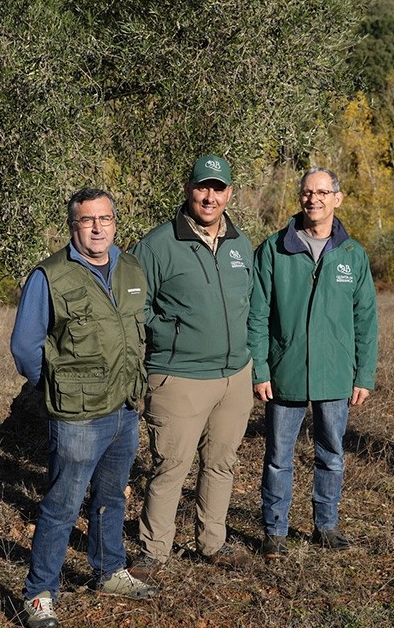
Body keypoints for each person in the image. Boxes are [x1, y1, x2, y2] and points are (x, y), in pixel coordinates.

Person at [9, 187, 158, 628]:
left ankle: (110, 569)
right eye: (87, 220)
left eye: (105, 219)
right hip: (76, 417)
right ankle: (39, 594)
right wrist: (57, 387)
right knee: (62, 504)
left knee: (112, 496)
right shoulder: (50, 277)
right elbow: (24, 347)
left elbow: (138, 330)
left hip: (124, 409)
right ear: (73, 226)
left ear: (115, 222)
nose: (98, 228)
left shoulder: (130, 267)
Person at [127, 155, 255, 579]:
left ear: (230, 194)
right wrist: (170, 331)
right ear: (189, 188)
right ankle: (154, 550)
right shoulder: (157, 245)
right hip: (178, 376)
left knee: (221, 463)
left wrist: (249, 355)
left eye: (219, 188)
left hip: (235, 375)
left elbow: (250, 304)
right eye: (203, 187)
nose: (210, 196)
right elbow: (133, 305)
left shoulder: (241, 244)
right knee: (170, 466)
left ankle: (212, 542)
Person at [247, 166, 379, 560]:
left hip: (335, 375)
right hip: (284, 373)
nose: (314, 199)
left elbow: (366, 320)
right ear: (300, 197)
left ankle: (326, 525)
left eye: (323, 192)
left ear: (337, 198)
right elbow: (257, 314)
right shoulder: (274, 248)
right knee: (277, 456)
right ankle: (274, 531)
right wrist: (261, 368)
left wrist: (364, 374)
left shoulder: (353, 255)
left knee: (332, 453)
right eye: (308, 192)